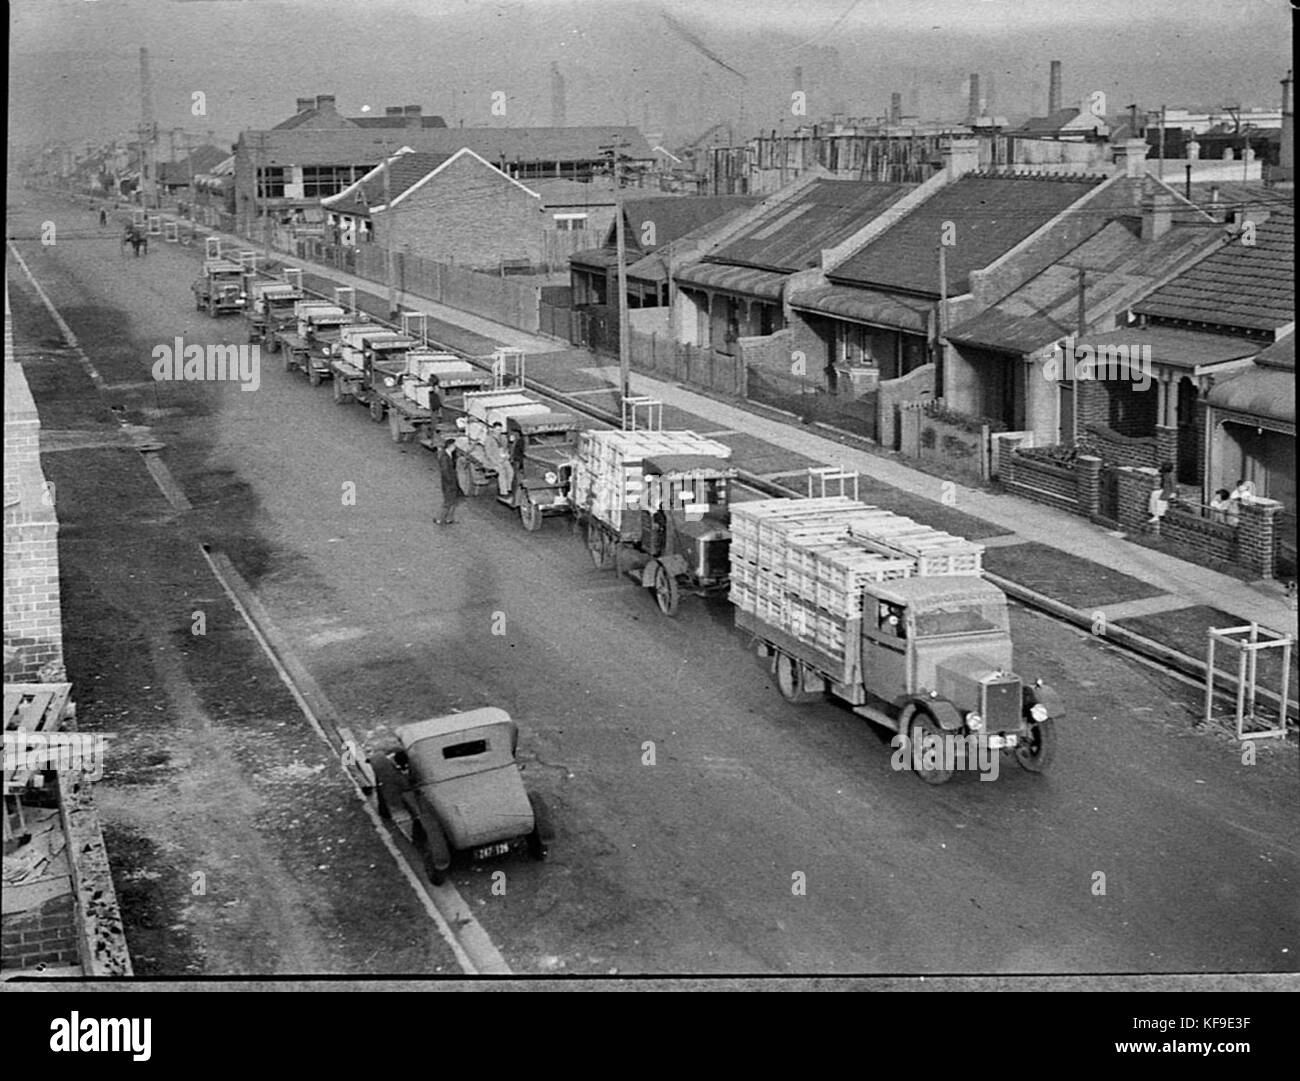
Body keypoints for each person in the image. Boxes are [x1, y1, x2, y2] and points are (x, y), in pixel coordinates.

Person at [434, 440, 460, 525]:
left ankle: (449, 518)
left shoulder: (449, 455)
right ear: (450, 446)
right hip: (448, 482)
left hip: (451, 481)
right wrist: (450, 480)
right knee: (448, 501)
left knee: (453, 501)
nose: (455, 447)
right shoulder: (445, 457)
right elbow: (445, 471)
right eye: (454, 445)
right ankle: (439, 518)